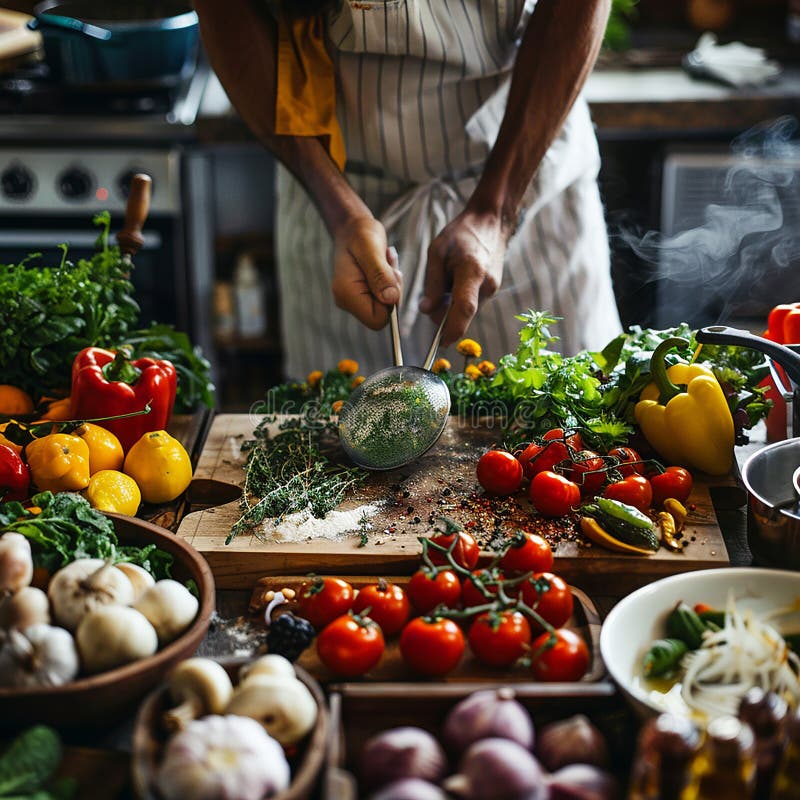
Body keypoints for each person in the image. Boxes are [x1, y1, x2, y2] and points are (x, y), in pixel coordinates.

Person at [194, 0, 623, 378]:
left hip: (519, 174)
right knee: (333, 453)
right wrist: (342, 213)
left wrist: (496, 211)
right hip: (334, 186)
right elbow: (226, 9)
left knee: (568, 432)